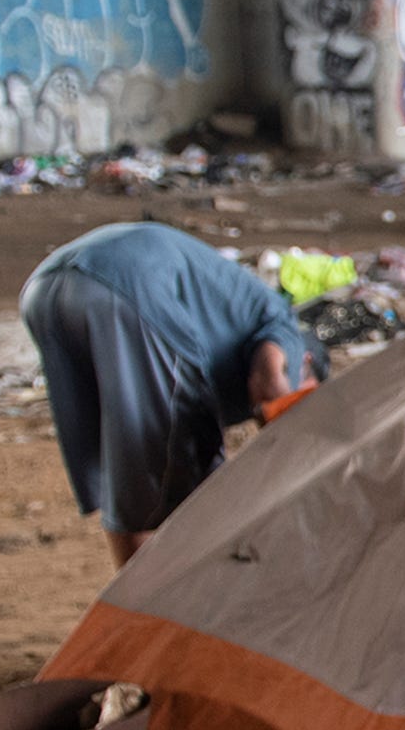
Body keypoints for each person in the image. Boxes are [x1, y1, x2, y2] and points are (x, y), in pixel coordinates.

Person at [21, 221, 323, 568]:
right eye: (304, 394)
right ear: (306, 362)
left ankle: (134, 611)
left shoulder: (229, 322)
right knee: (185, 471)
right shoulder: (284, 325)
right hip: (127, 284)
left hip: (45, 289)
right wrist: (304, 462)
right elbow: (269, 380)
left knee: (132, 469)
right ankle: (171, 608)